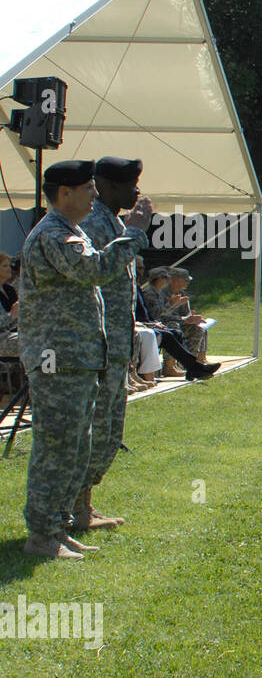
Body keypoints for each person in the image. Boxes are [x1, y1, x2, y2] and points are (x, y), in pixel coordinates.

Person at [17, 159, 152, 559]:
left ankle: (57, 529)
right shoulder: (54, 235)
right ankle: (42, 535)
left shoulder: (69, 231)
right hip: (57, 360)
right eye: (88, 189)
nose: (94, 195)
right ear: (64, 193)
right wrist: (134, 236)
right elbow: (95, 270)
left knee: (76, 447)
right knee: (56, 448)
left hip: (76, 359)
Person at [75, 156, 146, 531]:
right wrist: (134, 232)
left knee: (109, 427)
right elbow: (95, 271)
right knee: (96, 426)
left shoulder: (114, 221)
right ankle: (77, 508)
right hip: (96, 345)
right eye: (129, 184)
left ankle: (84, 502)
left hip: (115, 345)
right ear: (107, 186)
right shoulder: (92, 223)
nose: (136, 191)